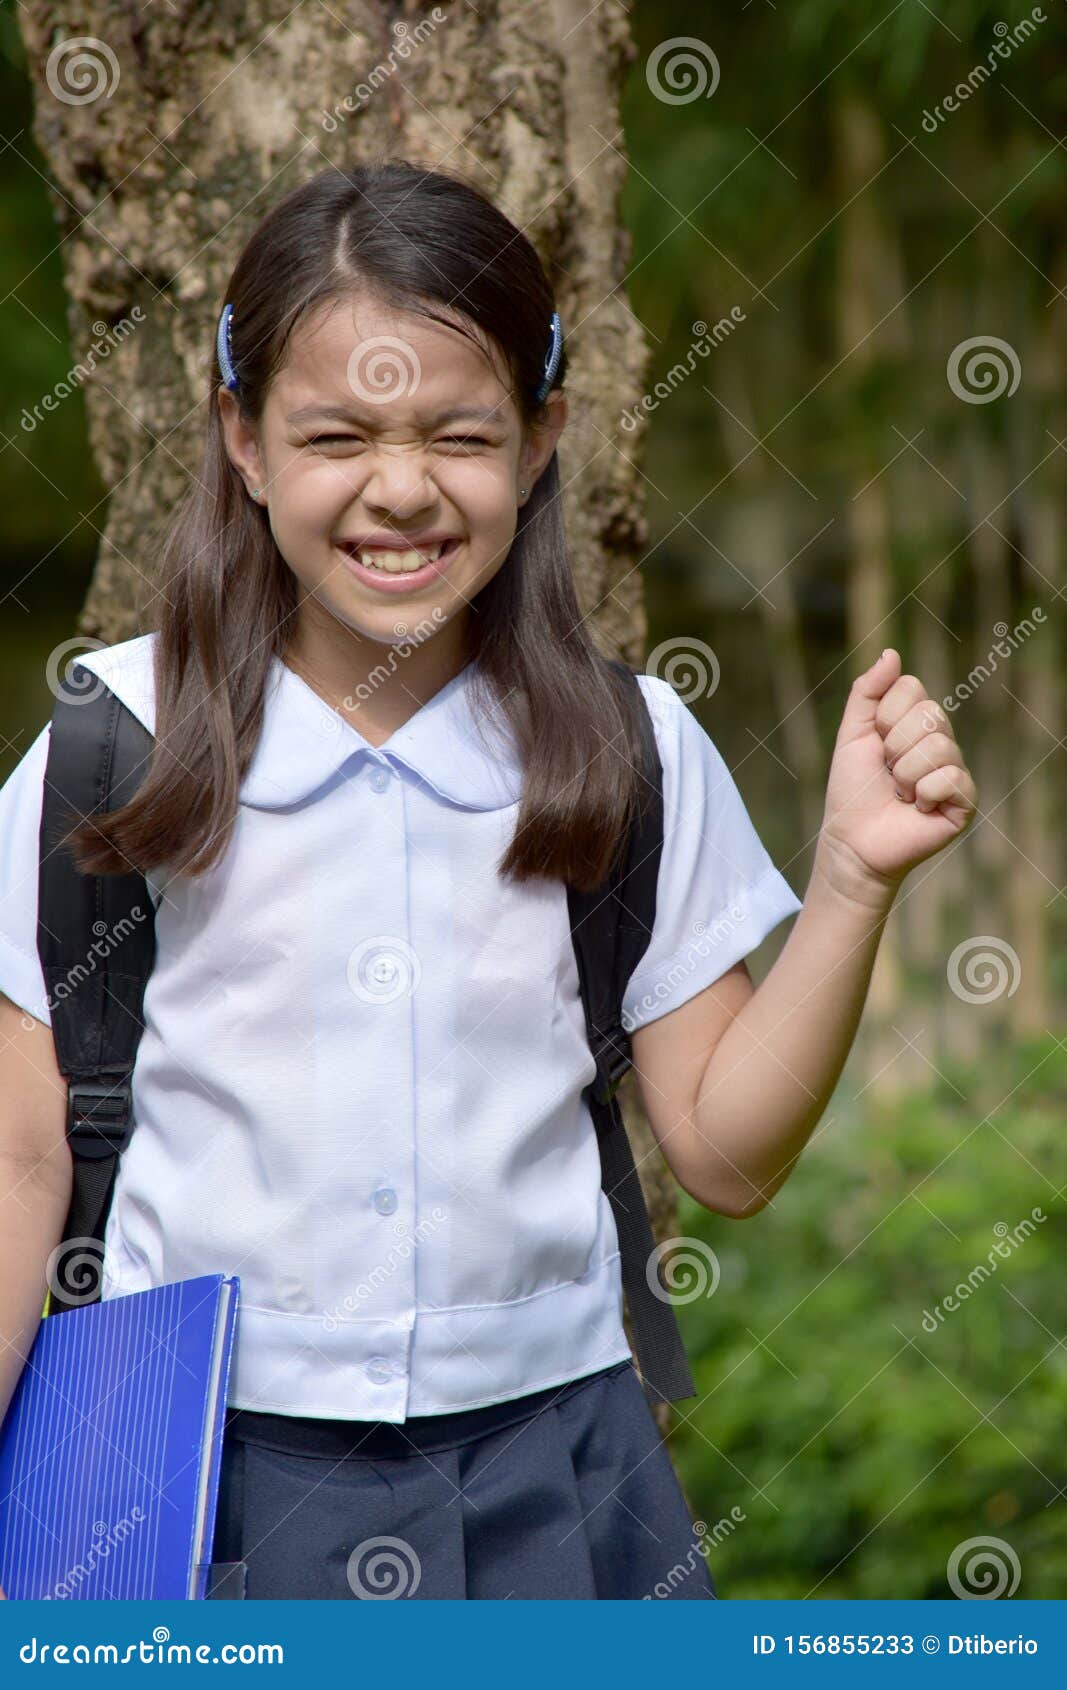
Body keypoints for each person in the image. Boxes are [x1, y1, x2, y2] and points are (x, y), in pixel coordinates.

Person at [0, 159, 976, 1601]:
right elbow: (23, 1164)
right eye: (336, 433)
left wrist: (849, 883)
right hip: (193, 1472)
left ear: (537, 442)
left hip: (560, 1467)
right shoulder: (111, 748)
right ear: (245, 440)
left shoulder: (628, 748)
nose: (400, 487)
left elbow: (724, 1150)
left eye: (458, 433)